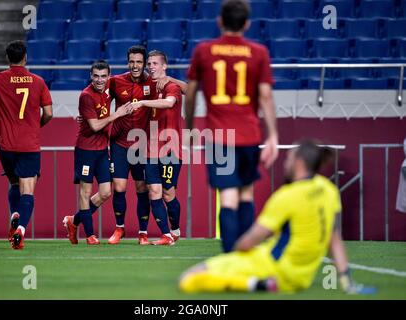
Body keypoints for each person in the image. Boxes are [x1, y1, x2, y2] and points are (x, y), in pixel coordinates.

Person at [179, 139, 376, 295]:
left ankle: (257, 284)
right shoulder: (329, 190)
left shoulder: (287, 195)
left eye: (289, 159)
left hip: (273, 266)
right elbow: (335, 240)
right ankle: (260, 282)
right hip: (302, 278)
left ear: (299, 163)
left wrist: (237, 253)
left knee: (187, 279)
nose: (285, 163)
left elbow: (251, 240)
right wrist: (346, 282)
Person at [185, 0, 279, 252]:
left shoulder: (204, 51)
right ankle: (245, 258)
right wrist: (272, 136)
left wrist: (190, 128)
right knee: (246, 194)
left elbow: (191, 93)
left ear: (220, 21)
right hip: (249, 135)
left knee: (227, 197)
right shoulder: (259, 52)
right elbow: (266, 96)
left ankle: (230, 259)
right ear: (247, 24)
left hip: (218, 137)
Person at [0, 40, 53, 249]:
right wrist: (36, 126)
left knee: (14, 184)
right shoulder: (38, 81)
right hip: (29, 144)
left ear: (7, 58)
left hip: (6, 146)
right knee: (28, 191)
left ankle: (14, 214)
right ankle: (21, 229)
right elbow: (49, 113)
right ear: (25, 57)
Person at [62, 60, 132, 245]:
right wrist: (117, 114)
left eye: (103, 76)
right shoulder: (86, 95)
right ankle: (90, 235)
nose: (99, 80)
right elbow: (94, 126)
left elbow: (127, 78)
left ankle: (73, 221)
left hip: (102, 150)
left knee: (106, 192)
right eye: (95, 76)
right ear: (90, 76)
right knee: (85, 192)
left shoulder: (109, 87)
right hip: (86, 150)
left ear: (108, 76)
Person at [129, 50, 186, 245]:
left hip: (170, 148)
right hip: (151, 148)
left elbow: (169, 103)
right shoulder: (148, 86)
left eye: (155, 63)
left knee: (169, 193)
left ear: (164, 66)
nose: (151, 67)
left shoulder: (172, 86)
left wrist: (143, 102)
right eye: (149, 64)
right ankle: (166, 235)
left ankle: (176, 230)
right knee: (154, 191)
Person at [107, 45, 159, 244]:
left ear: (144, 63)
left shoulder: (154, 83)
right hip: (119, 143)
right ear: (127, 62)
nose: (135, 66)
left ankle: (143, 233)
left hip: (142, 145)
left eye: (138, 62)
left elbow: (173, 96)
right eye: (131, 62)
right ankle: (119, 229)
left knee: (141, 188)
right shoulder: (116, 81)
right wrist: (86, 116)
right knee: (119, 188)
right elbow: (97, 98)